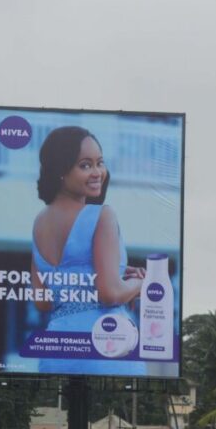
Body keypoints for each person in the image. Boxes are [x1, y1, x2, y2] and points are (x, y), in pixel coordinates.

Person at [30, 125, 145, 374]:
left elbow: (42, 301)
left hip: (56, 348)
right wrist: (140, 285)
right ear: (61, 170)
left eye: (99, 163)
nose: (97, 173)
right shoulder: (101, 215)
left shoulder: (39, 222)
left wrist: (116, 272)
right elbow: (110, 294)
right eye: (85, 165)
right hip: (106, 343)